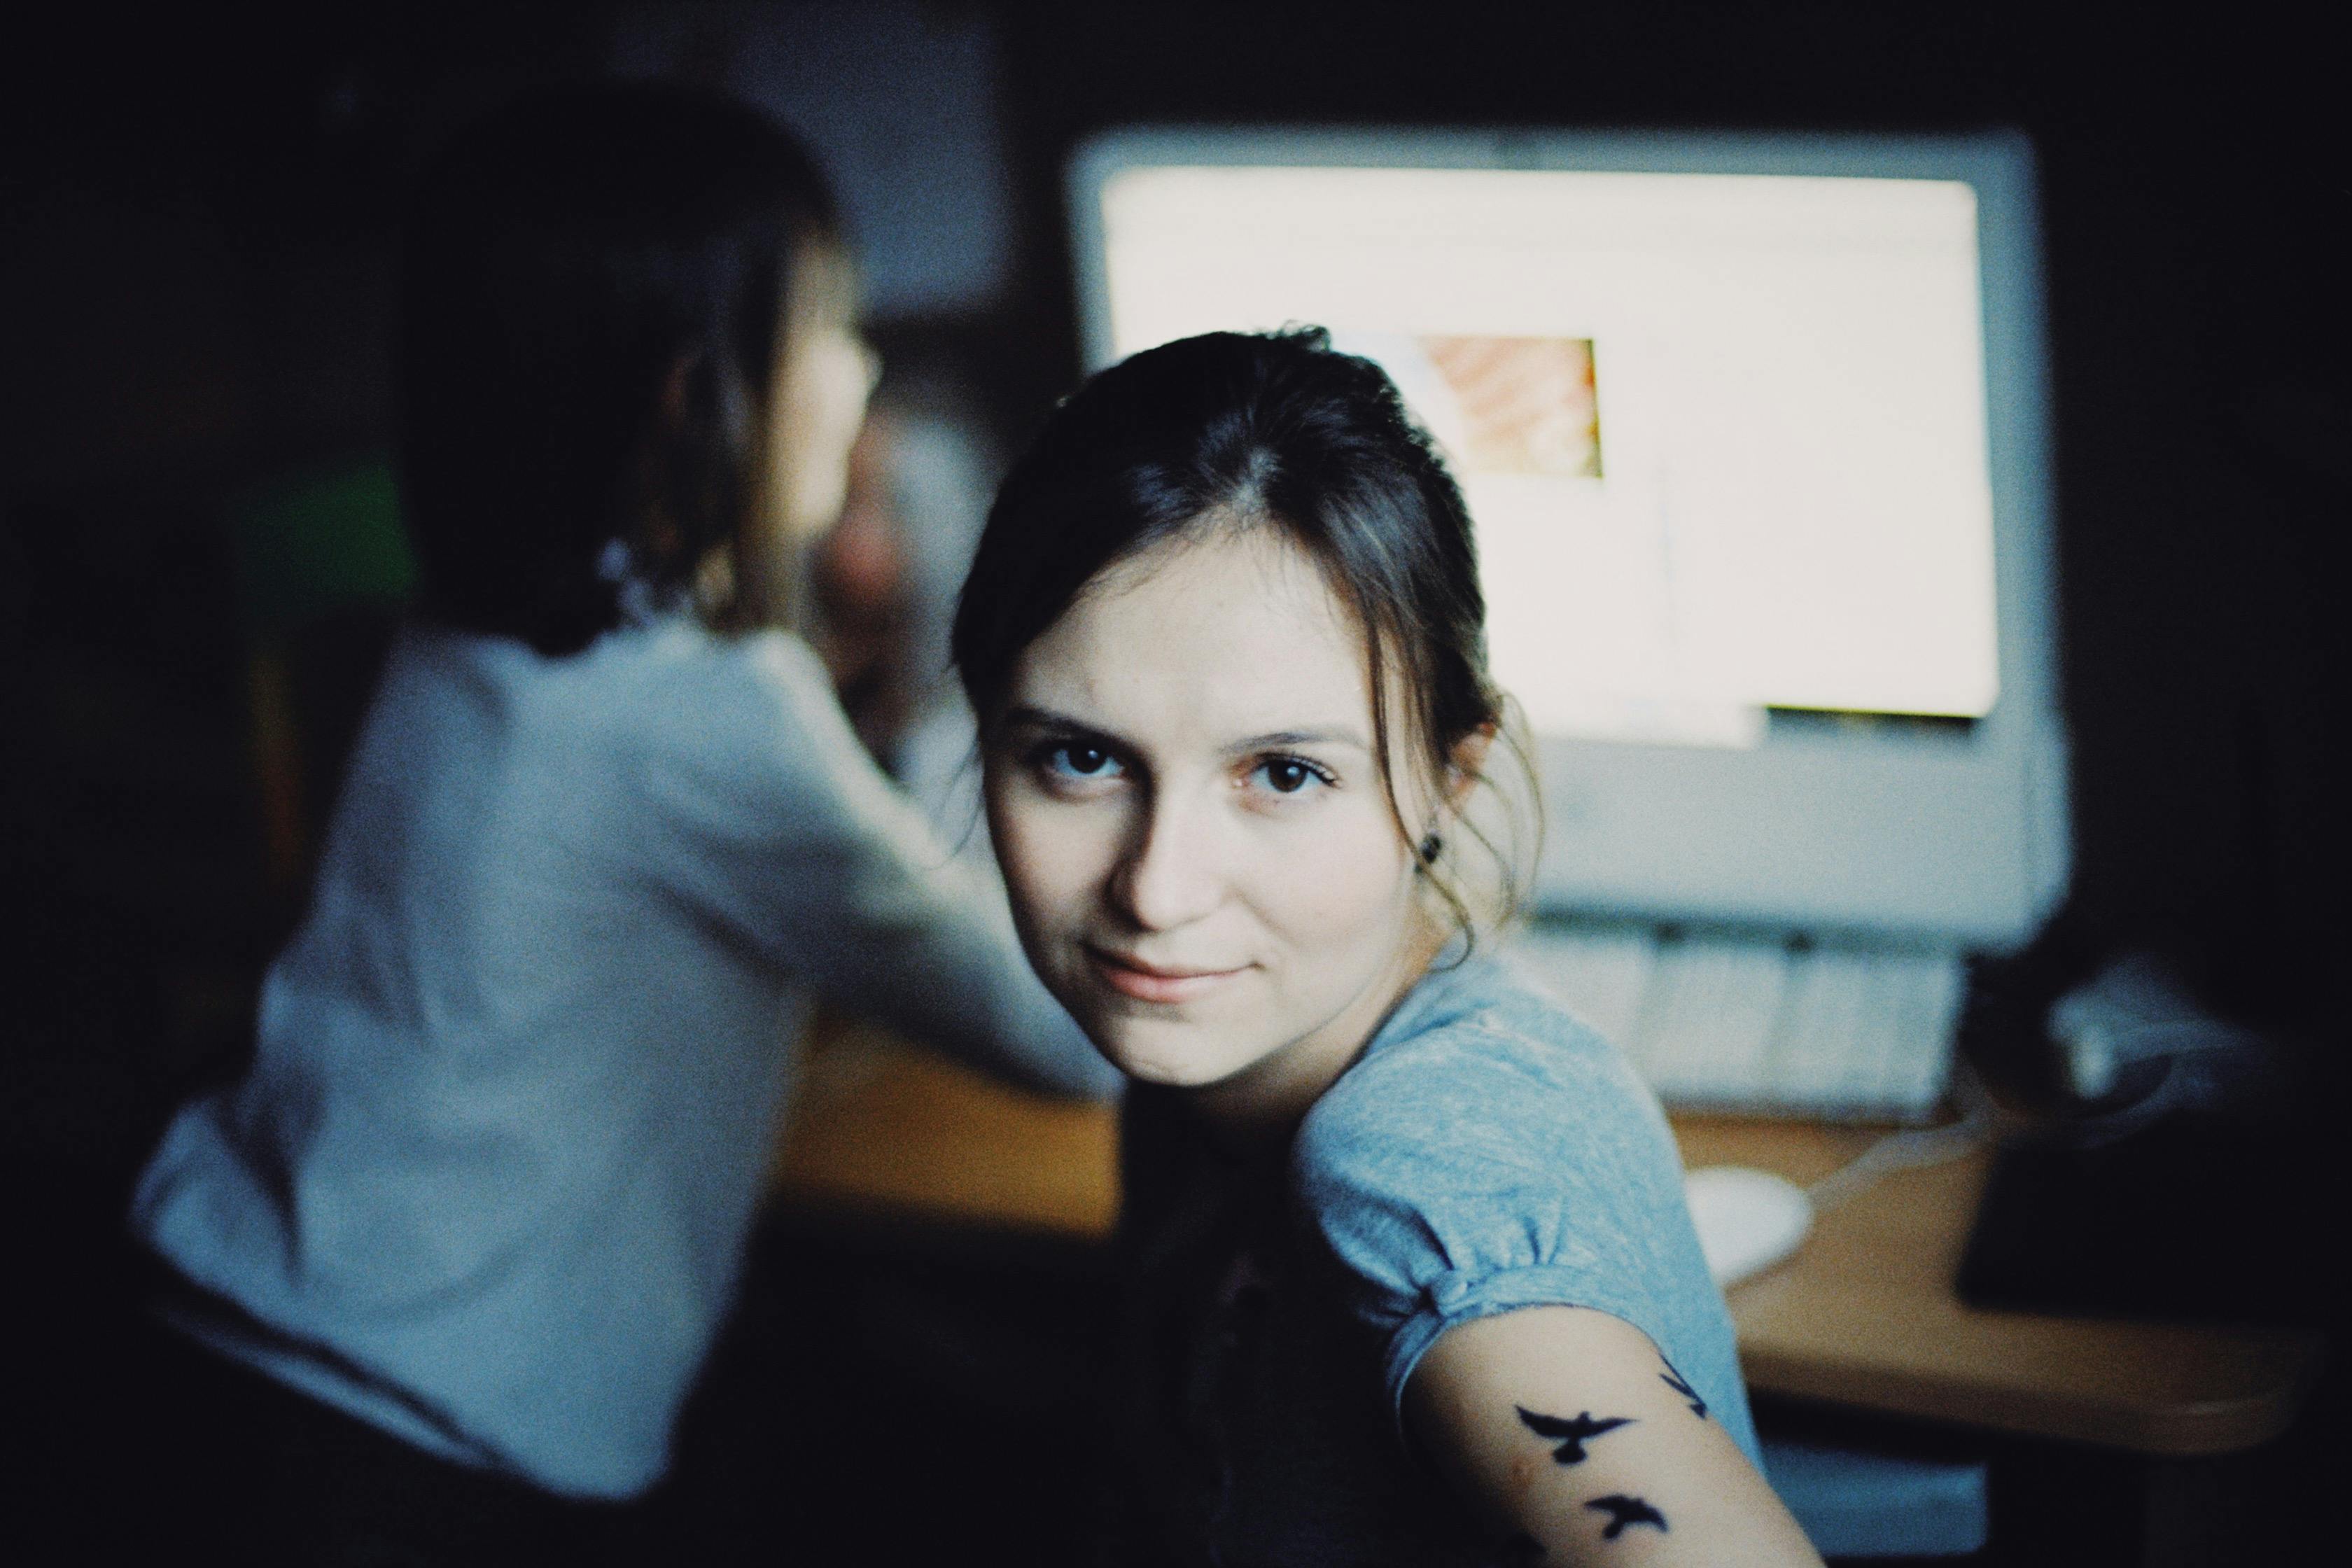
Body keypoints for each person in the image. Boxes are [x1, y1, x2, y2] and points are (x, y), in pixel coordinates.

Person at [122, 84, 1112, 1563]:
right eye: (832, 331)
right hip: (427, 1432)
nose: (857, 380)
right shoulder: (709, 716)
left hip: (244, 1316)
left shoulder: (464, 637)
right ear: (692, 398)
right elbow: (1065, 1039)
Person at [950, 328, 1823, 1565]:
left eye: (1285, 774)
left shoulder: (1416, 1148)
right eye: (1081, 758)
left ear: (1447, 783)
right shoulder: (1211, 1054)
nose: (1158, 890)